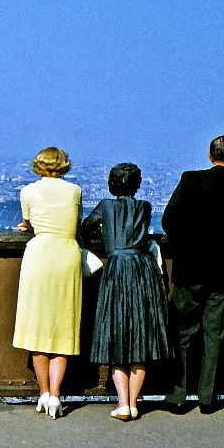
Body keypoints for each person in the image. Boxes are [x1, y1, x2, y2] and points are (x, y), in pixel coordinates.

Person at [82, 163, 171, 421]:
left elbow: (86, 226)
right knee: (140, 335)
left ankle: (122, 402)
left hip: (117, 268)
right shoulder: (145, 207)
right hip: (142, 269)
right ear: (137, 184)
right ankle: (133, 403)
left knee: (117, 333)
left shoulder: (105, 206)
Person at [162, 135, 224, 415]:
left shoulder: (190, 180)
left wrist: (184, 248)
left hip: (190, 269)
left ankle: (178, 394)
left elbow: (169, 220)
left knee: (183, 332)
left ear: (209, 155)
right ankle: (207, 396)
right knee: (215, 334)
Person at [13, 147, 82, 419]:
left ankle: (43, 392)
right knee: (63, 328)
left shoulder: (28, 191)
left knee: (37, 327)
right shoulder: (74, 191)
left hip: (39, 257)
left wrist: (28, 228)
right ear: (64, 165)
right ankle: (55, 394)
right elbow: (74, 224)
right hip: (67, 255)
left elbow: (30, 223)